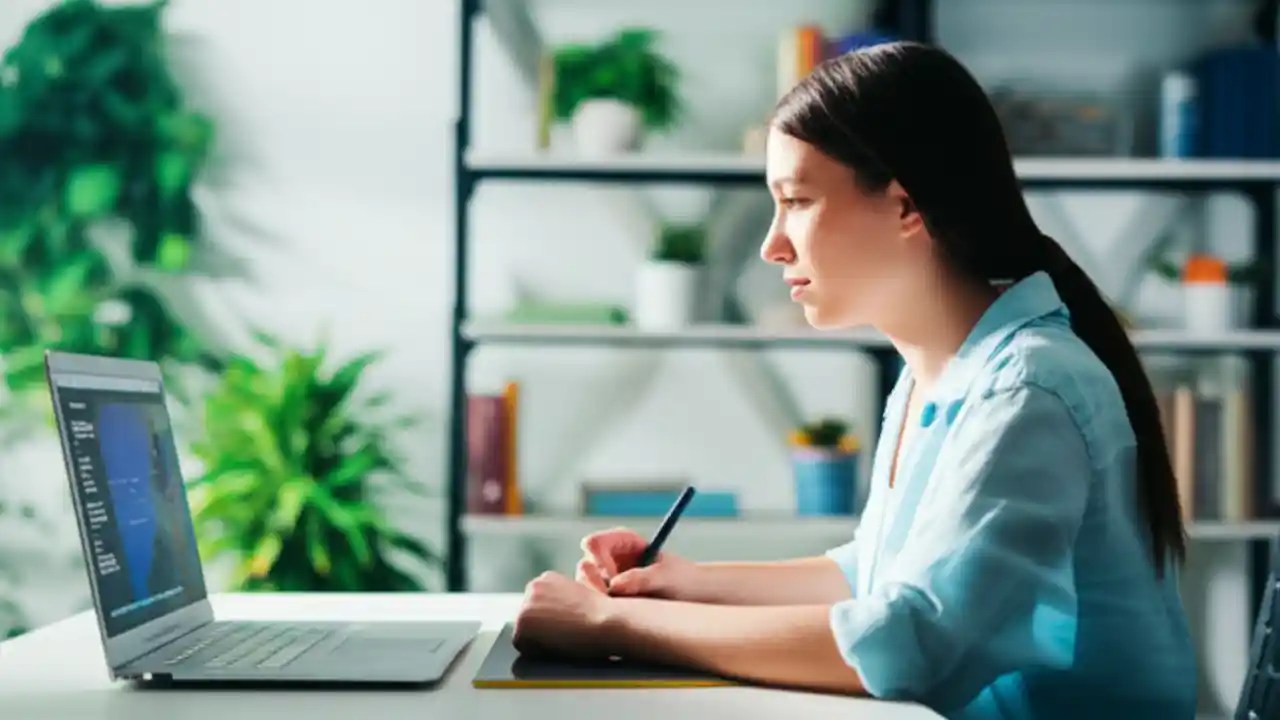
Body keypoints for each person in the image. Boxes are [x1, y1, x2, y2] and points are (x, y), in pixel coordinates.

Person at [510, 41, 1197, 720]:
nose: (771, 244)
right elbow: (879, 569)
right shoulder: (939, 371)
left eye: (797, 201)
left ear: (905, 206)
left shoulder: (1027, 388)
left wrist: (612, 627)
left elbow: (909, 642)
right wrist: (686, 585)